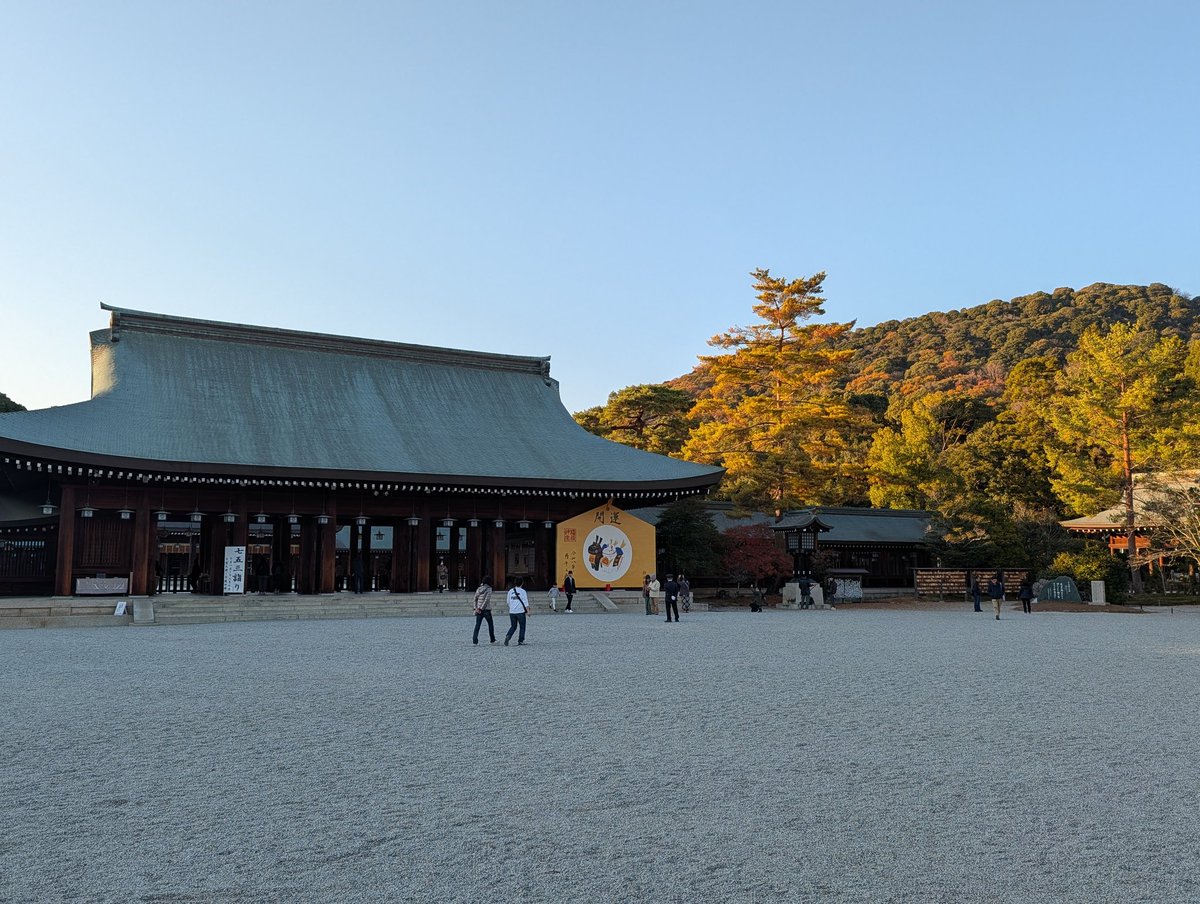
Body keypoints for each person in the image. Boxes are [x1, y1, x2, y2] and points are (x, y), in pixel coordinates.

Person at [504, 576, 530, 646]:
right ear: (522, 583)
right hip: (520, 611)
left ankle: (508, 636)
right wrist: (528, 611)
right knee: (522, 626)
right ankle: (521, 640)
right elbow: (525, 602)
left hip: (512, 611)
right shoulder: (523, 591)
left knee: (513, 626)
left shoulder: (510, 591)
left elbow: (508, 601)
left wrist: (512, 607)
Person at [472, 575, 496, 645]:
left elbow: (475, 599)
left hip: (478, 609)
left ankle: (474, 640)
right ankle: (492, 640)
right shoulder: (489, 589)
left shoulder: (479, 589)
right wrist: (481, 608)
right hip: (486, 609)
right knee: (490, 625)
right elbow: (486, 600)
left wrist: (476, 608)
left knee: (477, 625)